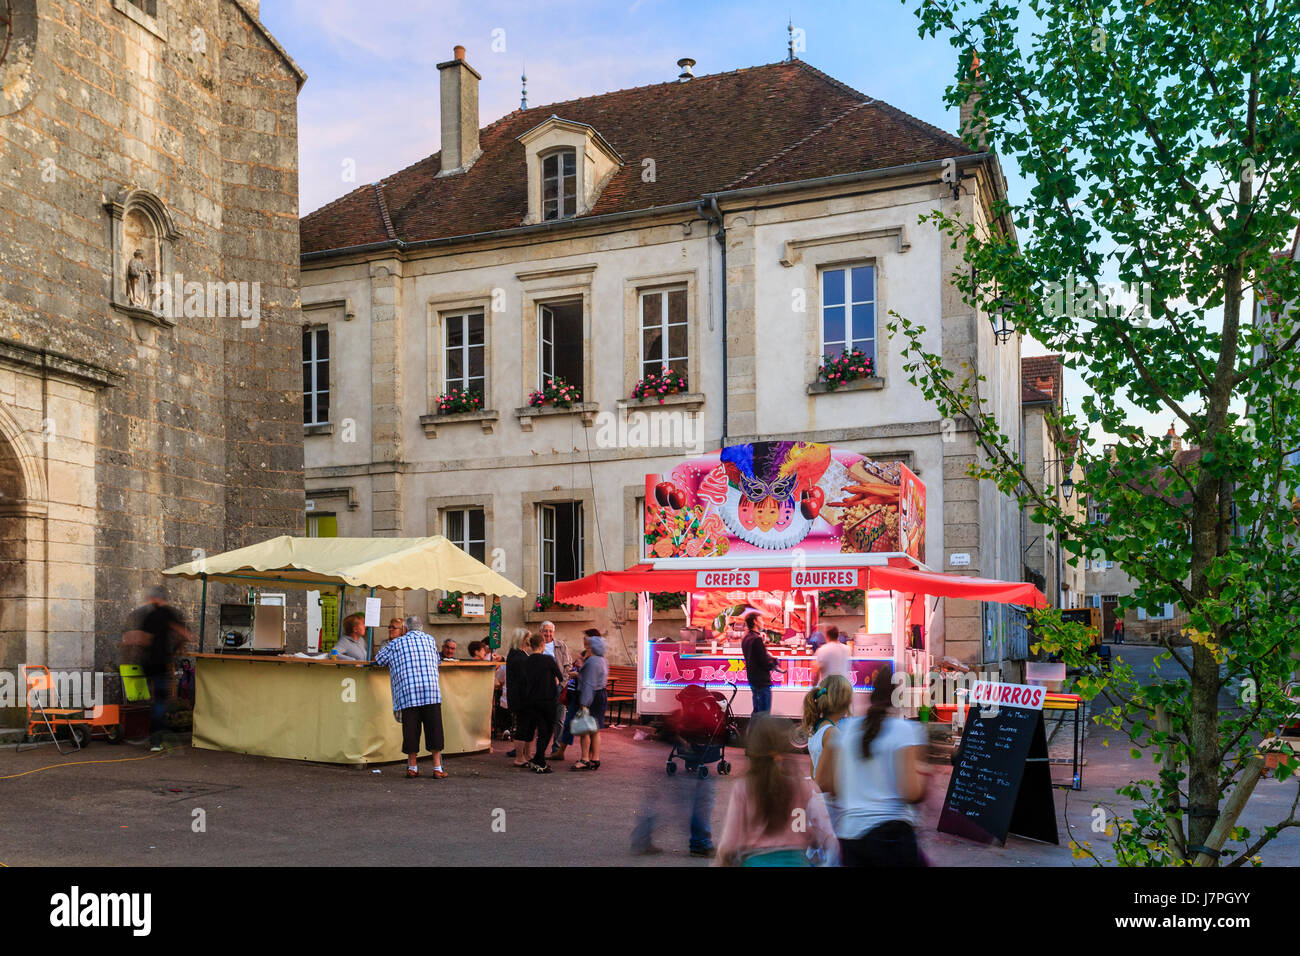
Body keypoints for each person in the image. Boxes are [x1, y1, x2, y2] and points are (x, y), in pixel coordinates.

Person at [815, 663, 929, 866]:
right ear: (899, 697)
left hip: (850, 837)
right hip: (892, 838)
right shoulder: (905, 731)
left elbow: (823, 781)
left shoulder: (846, 730)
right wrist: (924, 777)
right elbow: (910, 793)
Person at [715, 715, 833, 866]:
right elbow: (823, 833)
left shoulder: (743, 788)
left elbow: (729, 842)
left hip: (756, 861)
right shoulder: (804, 787)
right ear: (787, 745)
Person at [374, 615, 446, 779]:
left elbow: (378, 660)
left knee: (411, 731)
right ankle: (438, 768)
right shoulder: (430, 639)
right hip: (431, 691)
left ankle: (412, 767)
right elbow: (437, 661)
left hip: (409, 692)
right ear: (421, 628)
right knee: (434, 730)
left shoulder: (396, 643)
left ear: (405, 629)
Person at [122, 586, 193, 751]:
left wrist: (131, 639)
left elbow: (145, 639)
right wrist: (174, 650)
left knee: (156, 702)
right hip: (162, 662)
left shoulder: (150, 615)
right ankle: (157, 737)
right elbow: (185, 634)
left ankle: (155, 739)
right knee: (160, 701)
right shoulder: (171, 614)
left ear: (153, 599)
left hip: (149, 662)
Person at [801, 674, 854, 850]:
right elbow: (823, 782)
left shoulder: (817, 729)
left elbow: (813, 771)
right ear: (844, 702)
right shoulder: (832, 733)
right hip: (832, 808)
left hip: (819, 804)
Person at [521, 632, 563, 773]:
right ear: (543, 645)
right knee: (547, 730)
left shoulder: (526, 661)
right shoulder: (548, 660)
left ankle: (537, 759)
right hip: (547, 699)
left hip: (532, 699)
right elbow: (560, 676)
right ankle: (540, 760)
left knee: (537, 729)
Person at [571, 629, 609, 771]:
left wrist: (584, 703)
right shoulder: (603, 660)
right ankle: (595, 759)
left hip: (591, 697)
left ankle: (585, 759)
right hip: (601, 695)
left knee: (585, 730)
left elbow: (589, 684)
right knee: (596, 730)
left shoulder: (592, 661)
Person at [541, 620, 575, 761]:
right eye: (545, 631)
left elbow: (568, 666)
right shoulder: (537, 645)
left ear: (553, 632)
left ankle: (556, 749)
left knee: (559, 719)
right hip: (542, 688)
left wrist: (562, 683)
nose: (548, 634)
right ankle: (540, 748)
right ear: (541, 632)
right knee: (542, 719)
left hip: (558, 687)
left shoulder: (561, 646)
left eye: (550, 631)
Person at [741, 611, 782, 715]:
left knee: (757, 711)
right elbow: (764, 662)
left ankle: (751, 731)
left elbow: (757, 657)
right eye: (761, 619)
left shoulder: (746, 638)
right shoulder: (756, 639)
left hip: (753, 679)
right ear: (755, 621)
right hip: (761, 681)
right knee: (763, 715)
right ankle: (760, 731)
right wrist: (774, 662)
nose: (763, 622)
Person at [505, 628, 534, 766]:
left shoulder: (517, 654)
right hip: (522, 698)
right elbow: (524, 679)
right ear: (523, 639)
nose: (530, 640)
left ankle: (527, 755)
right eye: (528, 638)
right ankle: (519, 757)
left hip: (521, 697)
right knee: (522, 727)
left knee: (527, 726)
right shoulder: (519, 657)